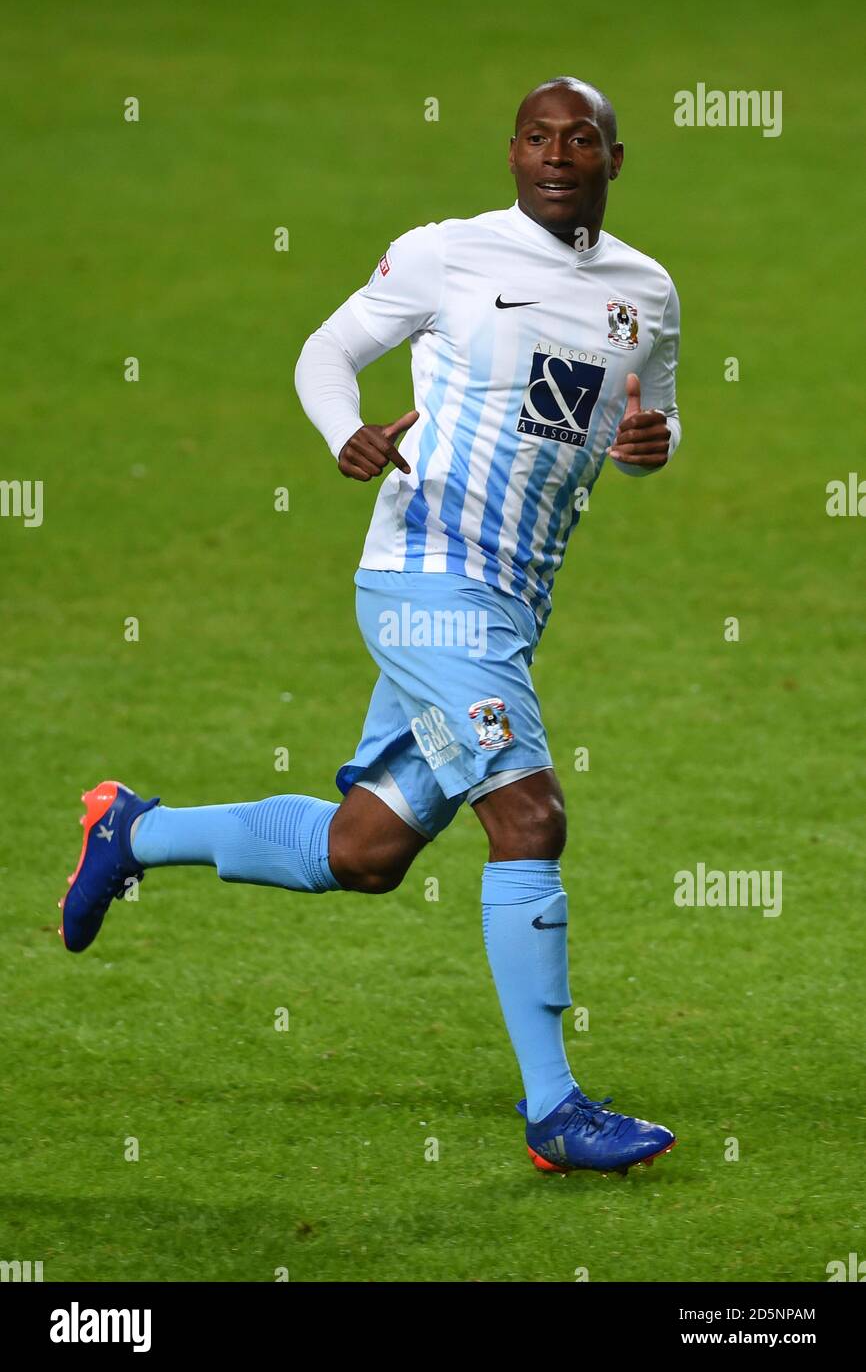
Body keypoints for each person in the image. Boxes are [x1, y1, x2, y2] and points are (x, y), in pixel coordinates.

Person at [60, 77, 681, 1177]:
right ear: (509, 152)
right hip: (425, 579)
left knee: (365, 852)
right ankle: (555, 1112)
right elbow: (323, 351)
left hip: (510, 602)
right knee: (529, 820)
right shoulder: (446, 254)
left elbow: (649, 416)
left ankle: (131, 830)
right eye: (535, 137)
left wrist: (650, 446)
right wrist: (345, 434)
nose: (553, 154)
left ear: (611, 161)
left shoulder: (644, 292)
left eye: (577, 139)